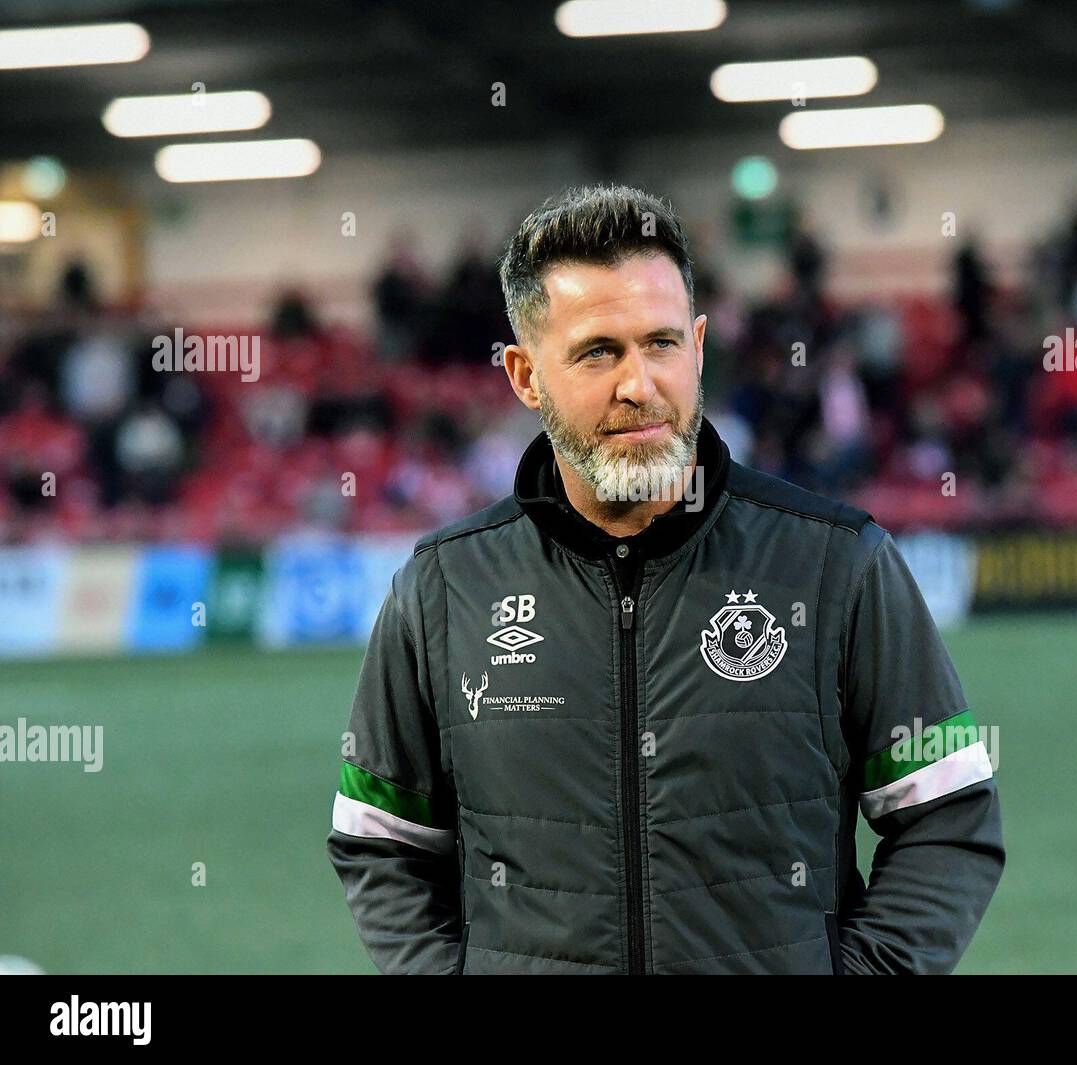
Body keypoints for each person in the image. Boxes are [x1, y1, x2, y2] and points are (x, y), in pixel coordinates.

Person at [326, 184, 1005, 974]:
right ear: (524, 374)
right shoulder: (442, 588)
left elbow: (947, 811)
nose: (638, 385)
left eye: (661, 343)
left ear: (701, 345)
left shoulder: (837, 564)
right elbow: (380, 841)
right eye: (597, 351)